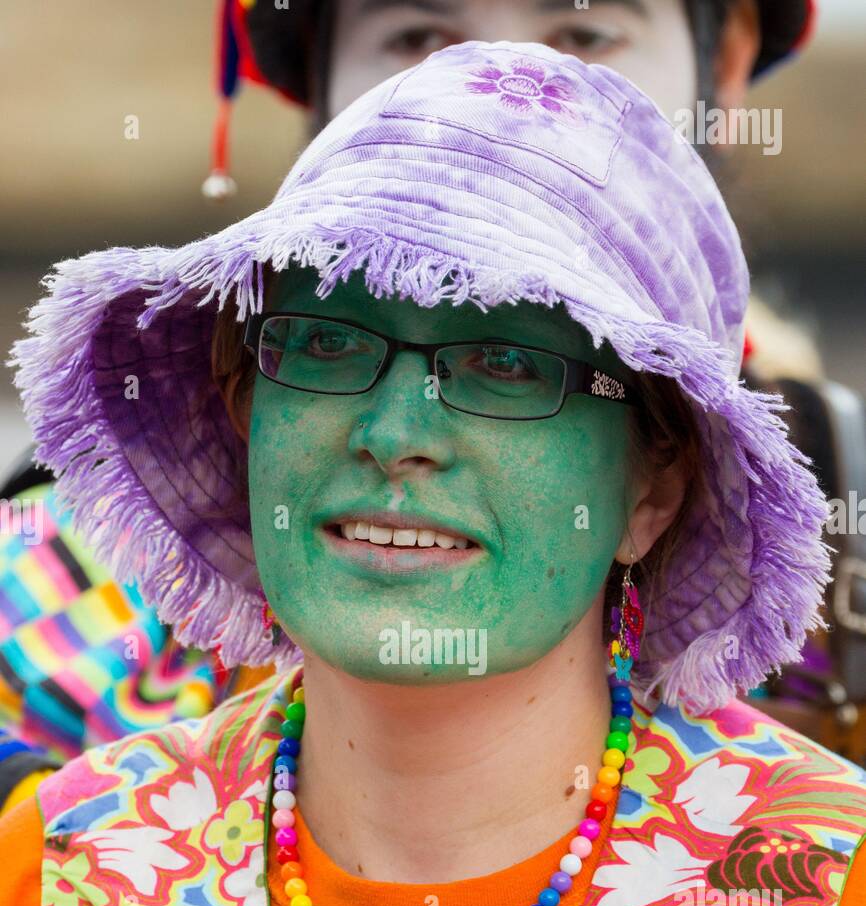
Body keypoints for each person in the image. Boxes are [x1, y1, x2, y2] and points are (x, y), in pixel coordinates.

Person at [1, 41, 865, 906]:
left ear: (652, 484)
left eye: (506, 362)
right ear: (245, 405)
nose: (395, 434)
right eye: (325, 341)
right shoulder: (60, 871)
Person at [6, 0, 856, 819]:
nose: (495, 88)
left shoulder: (823, 876)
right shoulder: (59, 847)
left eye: (584, 35)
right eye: (418, 35)